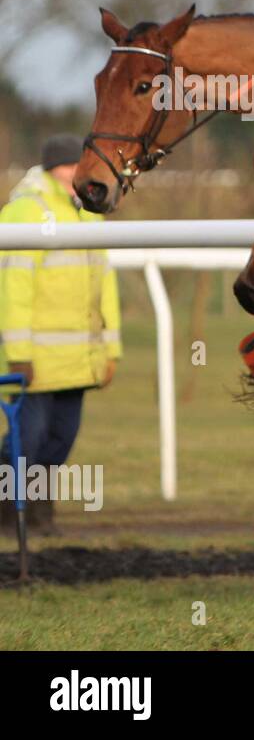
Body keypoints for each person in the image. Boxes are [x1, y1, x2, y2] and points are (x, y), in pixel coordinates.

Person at [0, 134, 121, 534]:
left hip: (79, 358)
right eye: (73, 166)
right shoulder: (23, 213)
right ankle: (7, 509)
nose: (80, 174)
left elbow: (106, 286)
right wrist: (19, 353)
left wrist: (111, 350)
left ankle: (38, 509)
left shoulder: (89, 214)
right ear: (54, 170)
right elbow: (13, 289)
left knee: (62, 438)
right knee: (27, 440)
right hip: (33, 360)